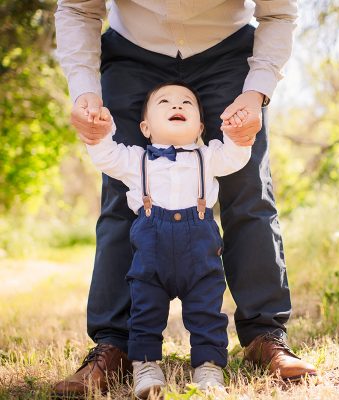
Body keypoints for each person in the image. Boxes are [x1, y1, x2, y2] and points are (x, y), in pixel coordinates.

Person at [53, 1, 317, 396]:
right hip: (132, 52)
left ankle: (265, 336)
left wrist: (256, 91)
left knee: (248, 191)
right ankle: (114, 344)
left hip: (227, 52)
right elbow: (77, 8)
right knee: (122, 197)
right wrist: (84, 92)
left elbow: (278, 13)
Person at [85, 82, 249, 397]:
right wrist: (100, 133)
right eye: (165, 101)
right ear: (145, 127)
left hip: (199, 251)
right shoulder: (135, 159)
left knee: (207, 311)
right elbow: (106, 157)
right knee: (144, 309)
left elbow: (236, 157)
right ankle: (145, 366)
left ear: (200, 126)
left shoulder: (208, 155)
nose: (177, 105)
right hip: (151, 251)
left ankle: (209, 367)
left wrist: (237, 133)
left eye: (187, 102)